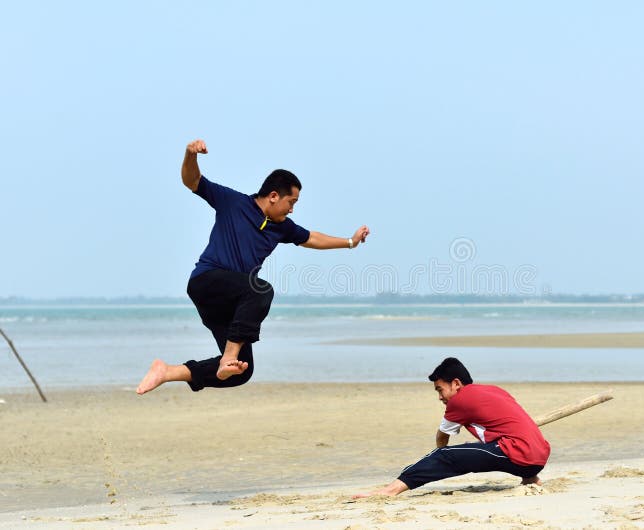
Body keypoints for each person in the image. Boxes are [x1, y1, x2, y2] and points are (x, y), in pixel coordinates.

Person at [136, 139, 369, 394]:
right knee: (260, 290)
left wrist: (350, 242)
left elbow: (312, 238)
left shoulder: (281, 227)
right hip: (208, 281)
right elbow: (192, 182)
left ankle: (167, 371)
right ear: (273, 196)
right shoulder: (233, 202)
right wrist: (190, 155)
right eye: (291, 202)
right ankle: (227, 356)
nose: (292, 209)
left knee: (241, 371)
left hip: (231, 301)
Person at [355, 357, 550, 497]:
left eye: (440, 389)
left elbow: (442, 438)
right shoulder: (494, 390)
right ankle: (530, 479)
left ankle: (390, 490)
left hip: (520, 453)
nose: (440, 397)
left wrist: (445, 458)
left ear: (456, 384)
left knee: (443, 455)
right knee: (482, 447)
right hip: (538, 456)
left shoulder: (461, 400)